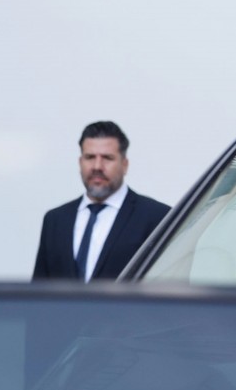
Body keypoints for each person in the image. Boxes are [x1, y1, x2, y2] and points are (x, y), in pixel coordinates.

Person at [32, 120, 171, 281]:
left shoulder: (157, 218)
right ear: (80, 162)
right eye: (90, 157)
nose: (97, 166)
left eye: (107, 158)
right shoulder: (55, 220)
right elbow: (40, 290)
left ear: (124, 165)